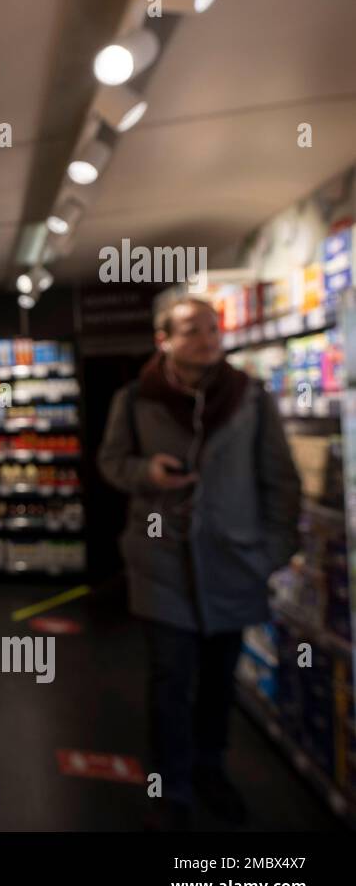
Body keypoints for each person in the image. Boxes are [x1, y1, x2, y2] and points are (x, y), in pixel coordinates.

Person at [97, 296, 300, 831]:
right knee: (170, 678)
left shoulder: (250, 397)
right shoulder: (136, 398)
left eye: (213, 327)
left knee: (218, 680)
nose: (208, 337)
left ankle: (211, 769)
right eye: (192, 329)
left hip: (234, 561)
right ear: (164, 339)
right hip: (162, 561)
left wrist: (272, 553)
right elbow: (112, 463)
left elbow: (280, 479)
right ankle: (172, 785)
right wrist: (148, 474)